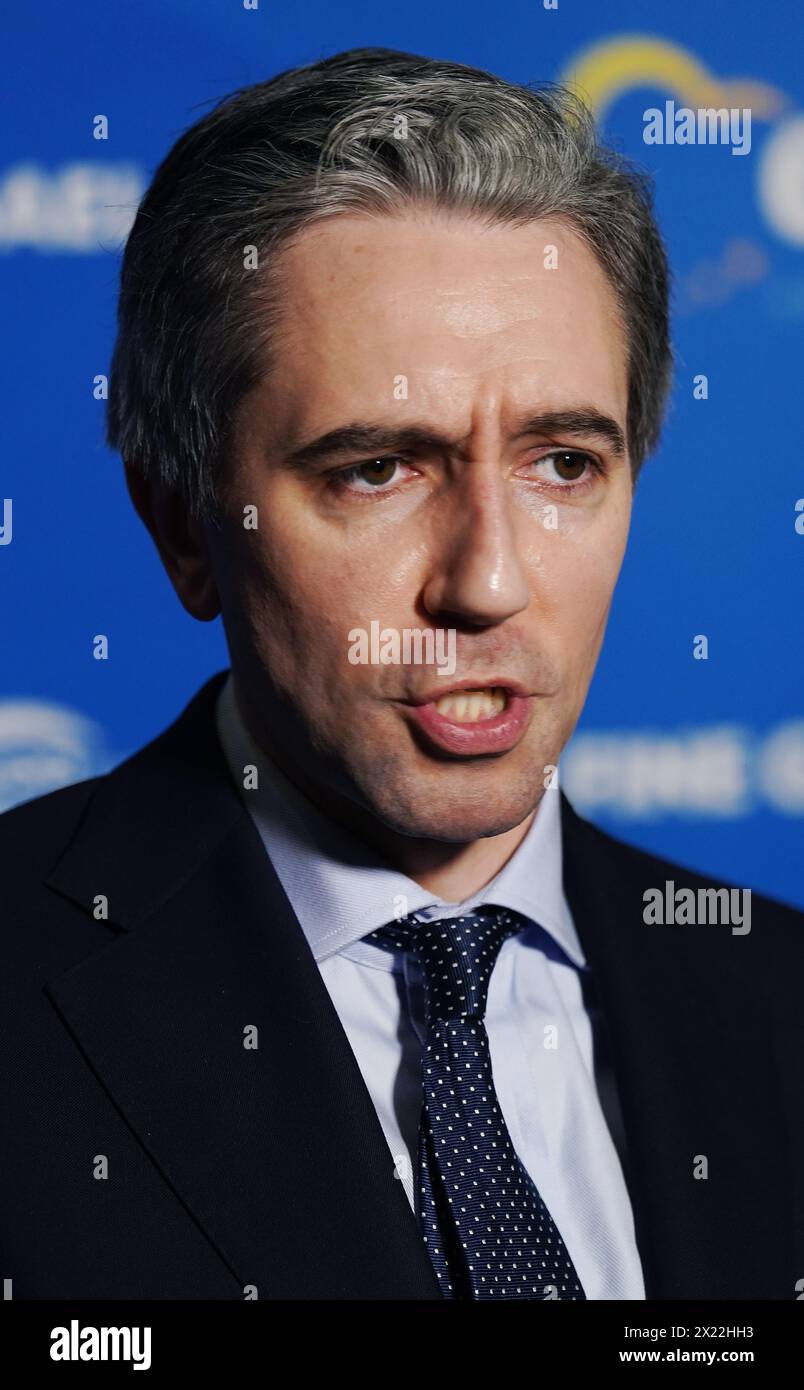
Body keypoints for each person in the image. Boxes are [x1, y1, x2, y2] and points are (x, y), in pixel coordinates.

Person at [2, 47, 802, 1302]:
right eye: (377, 470)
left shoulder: (776, 991)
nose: (488, 581)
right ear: (182, 525)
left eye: (564, 464)